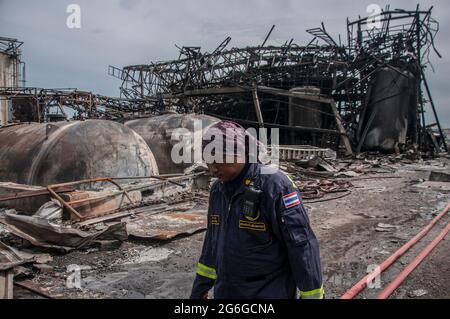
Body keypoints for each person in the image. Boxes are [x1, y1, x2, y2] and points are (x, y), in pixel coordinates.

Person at [190, 120, 323, 299]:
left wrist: (312, 296)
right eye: (208, 161)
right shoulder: (218, 190)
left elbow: (301, 247)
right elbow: (212, 244)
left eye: (218, 160)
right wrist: (200, 289)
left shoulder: (275, 186)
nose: (212, 168)